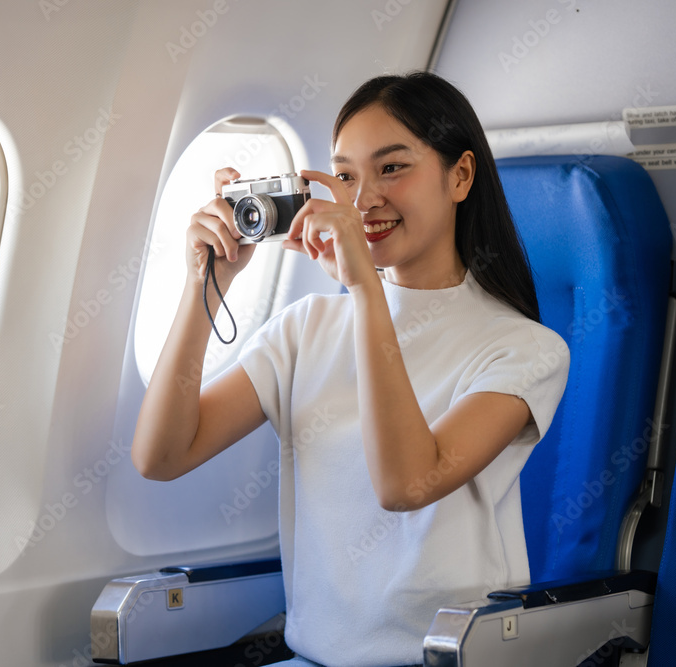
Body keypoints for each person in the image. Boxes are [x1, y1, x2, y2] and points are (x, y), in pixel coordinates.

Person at [131, 71, 569, 667]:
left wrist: (364, 285)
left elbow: (404, 485)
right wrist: (205, 283)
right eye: (344, 175)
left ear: (460, 176)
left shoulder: (525, 348)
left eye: (392, 168)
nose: (363, 200)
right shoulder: (305, 327)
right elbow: (161, 455)